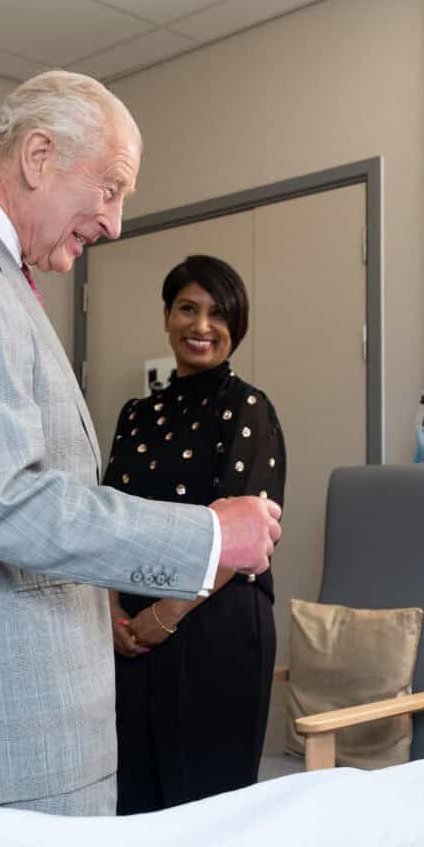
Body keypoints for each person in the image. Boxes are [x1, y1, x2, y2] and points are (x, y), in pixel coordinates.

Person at [0, 71, 282, 816]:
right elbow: (7, 504)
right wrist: (209, 536)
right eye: (111, 189)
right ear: (38, 156)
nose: (116, 222)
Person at [103, 255, 287, 813]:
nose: (200, 326)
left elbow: (244, 540)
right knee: (132, 799)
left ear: (237, 326)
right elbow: (107, 516)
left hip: (216, 627)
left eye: (217, 313)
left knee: (204, 808)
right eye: (187, 308)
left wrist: (166, 614)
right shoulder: (136, 414)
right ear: (166, 316)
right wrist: (111, 610)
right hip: (129, 629)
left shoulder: (247, 408)